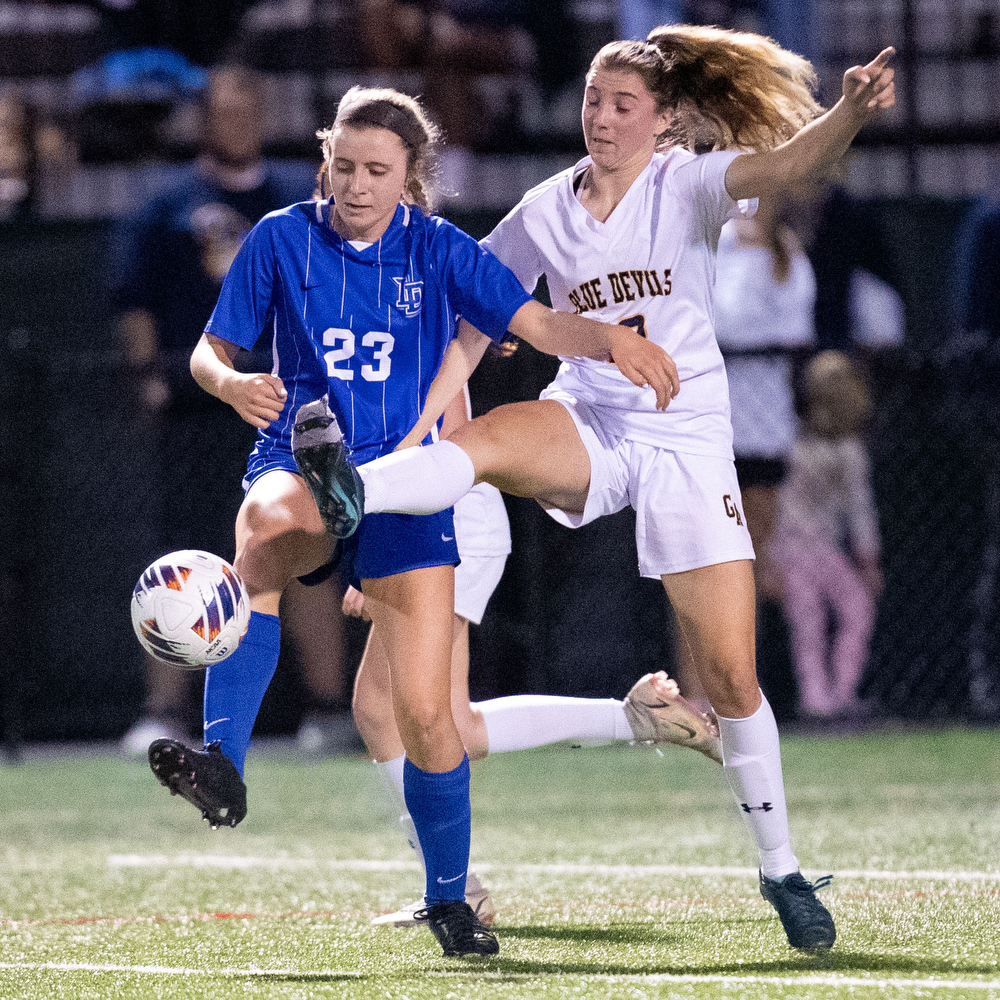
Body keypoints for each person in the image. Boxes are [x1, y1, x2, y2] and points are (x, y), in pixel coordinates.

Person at [295, 28, 896, 952]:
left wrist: (849, 113)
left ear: (664, 122)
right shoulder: (545, 208)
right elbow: (473, 298)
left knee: (733, 675)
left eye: (624, 105)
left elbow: (783, 166)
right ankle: (361, 492)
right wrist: (433, 405)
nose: (603, 117)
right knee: (492, 439)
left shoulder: (685, 183)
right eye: (591, 99)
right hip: (591, 420)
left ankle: (780, 868)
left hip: (686, 440)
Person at [145, 83, 678, 959]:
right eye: (343, 165)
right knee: (263, 528)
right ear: (325, 160)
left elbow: (536, 320)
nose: (356, 184)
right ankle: (223, 763)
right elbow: (212, 350)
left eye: (377, 170)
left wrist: (611, 339)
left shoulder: (439, 251)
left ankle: (450, 901)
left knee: (428, 716)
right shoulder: (280, 237)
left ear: (410, 176)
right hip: (300, 458)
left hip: (405, 483)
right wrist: (233, 383)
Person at [350, 386, 722, 930]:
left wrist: (389, 551)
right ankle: (637, 719)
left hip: (441, 525)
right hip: (430, 523)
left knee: (390, 710)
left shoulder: (409, 303)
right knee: (432, 721)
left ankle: (457, 890)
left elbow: (447, 441)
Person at [114, 66, 349, 756]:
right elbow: (133, 298)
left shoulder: (296, 203)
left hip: (291, 412)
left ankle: (329, 707)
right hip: (199, 414)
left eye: (250, 109)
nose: (238, 121)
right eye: (224, 110)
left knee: (305, 549)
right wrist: (150, 381)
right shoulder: (167, 206)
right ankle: (165, 714)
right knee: (181, 560)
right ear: (203, 120)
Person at [770, 351, 882, 719]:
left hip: (820, 548)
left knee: (851, 610)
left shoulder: (848, 449)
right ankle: (818, 701)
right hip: (791, 548)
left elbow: (860, 510)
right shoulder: (788, 437)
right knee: (810, 623)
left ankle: (838, 695)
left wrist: (867, 559)